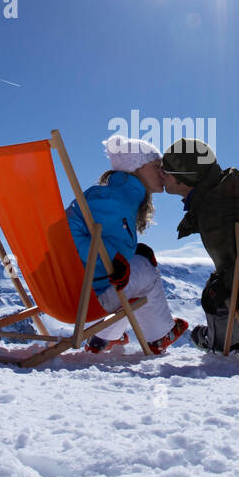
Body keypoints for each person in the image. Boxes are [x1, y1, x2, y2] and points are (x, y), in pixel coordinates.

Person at [161, 137, 239, 354]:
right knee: (225, 280)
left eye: (166, 170)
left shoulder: (214, 211)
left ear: (184, 179)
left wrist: (222, 284)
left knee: (215, 292)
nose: (161, 174)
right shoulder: (233, 192)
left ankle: (226, 344)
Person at [66, 135, 188, 356]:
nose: (162, 173)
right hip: (88, 296)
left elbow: (101, 237)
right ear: (136, 169)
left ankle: (104, 337)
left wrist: (126, 253)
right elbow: (68, 236)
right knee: (146, 272)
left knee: (139, 264)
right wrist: (113, 258)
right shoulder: (114, 199)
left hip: (88, 288)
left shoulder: (119, 195)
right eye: (156, 166)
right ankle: (158, 335)